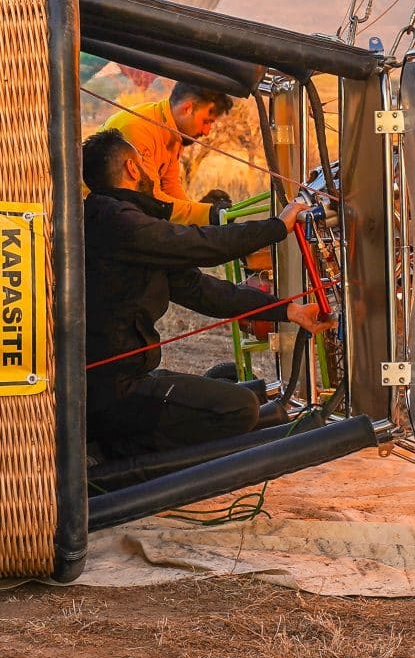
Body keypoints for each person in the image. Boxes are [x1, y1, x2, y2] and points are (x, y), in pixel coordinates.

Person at [82, 128, 333, 456]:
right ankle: (121, 456)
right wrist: (276, 227)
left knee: (251, 395)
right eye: (144, 160)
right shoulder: (114, 221)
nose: (151, 168)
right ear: (131, 168)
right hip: (114, 390)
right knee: (240, 408)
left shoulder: (124, 222)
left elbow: (202, 291)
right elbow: (199, 244)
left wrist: (289, 311)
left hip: (126, 379)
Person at [104, 82, 233, 226]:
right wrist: (207, 214)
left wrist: (202, 215)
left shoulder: (171, 129)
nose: (207, 131)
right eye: (206, 122)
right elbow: (150, 198)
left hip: (127, 215)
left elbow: (170, 187)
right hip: (101, 221)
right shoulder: (139, 129)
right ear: (187, 108)